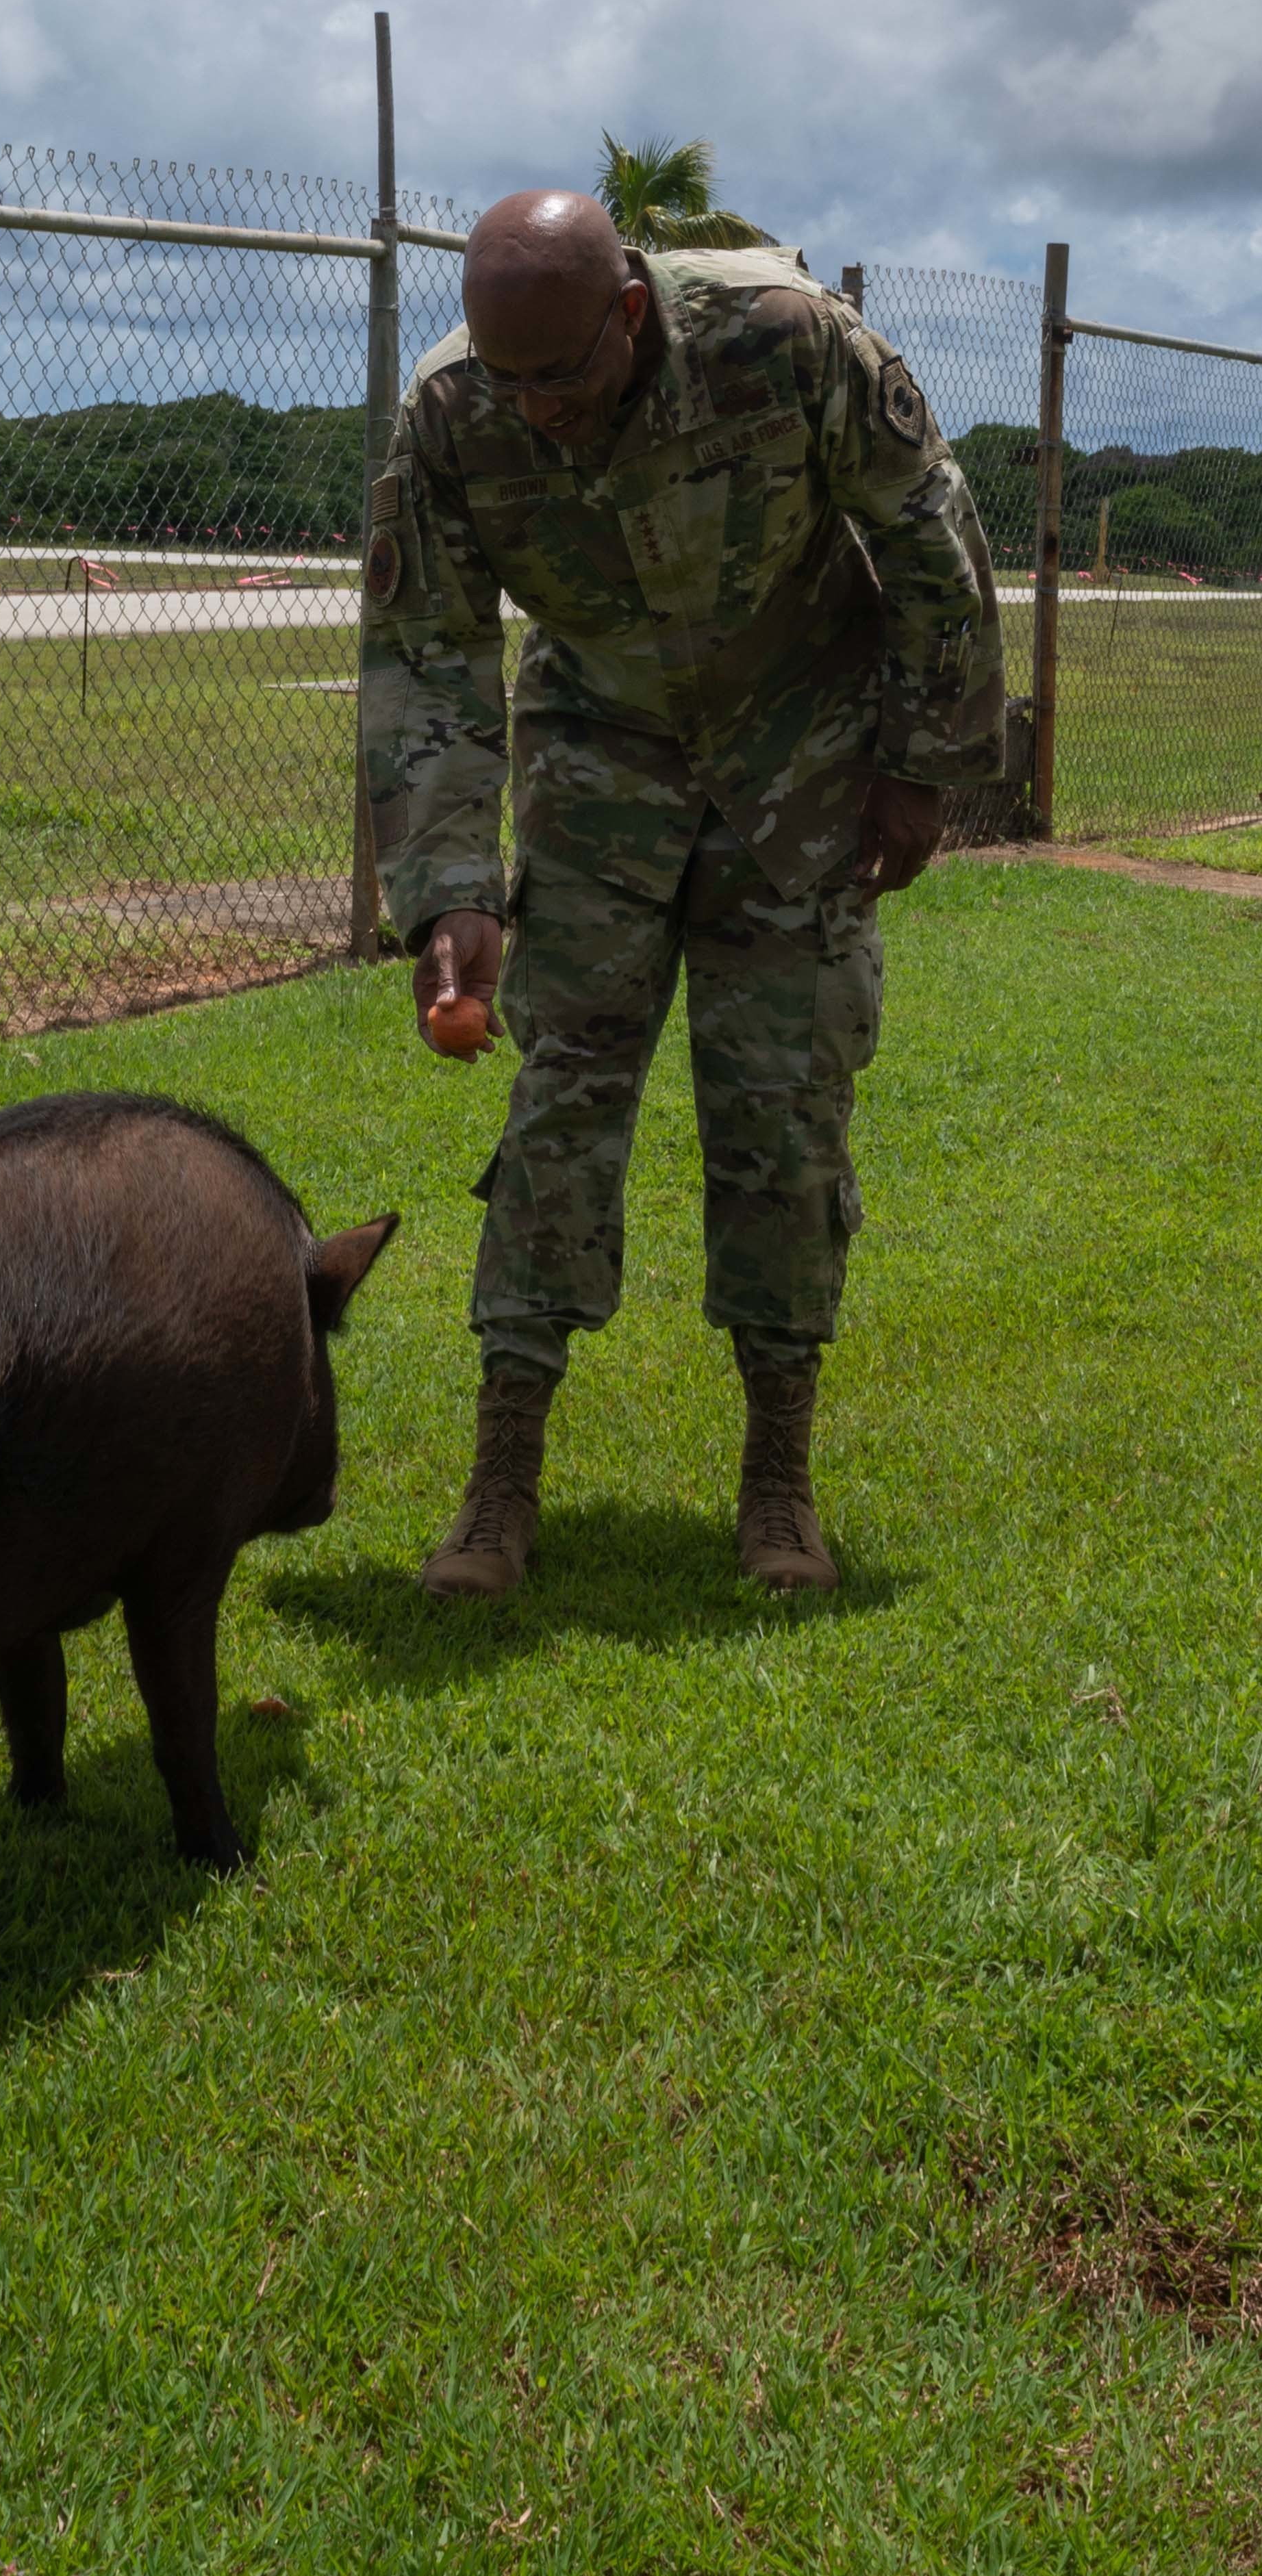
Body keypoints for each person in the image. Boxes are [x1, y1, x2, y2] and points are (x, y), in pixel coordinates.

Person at [359, 192, 1005, 1599]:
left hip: (802, 751)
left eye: (561, 376)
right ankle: (499, 1483)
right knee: (559, 1108)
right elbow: (429, 662)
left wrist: (923, 764)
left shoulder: (786, 344)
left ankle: (779, 1479)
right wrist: (449, 890)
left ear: (631, 311)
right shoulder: (453, 412)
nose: (531, 410)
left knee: (783, 1112)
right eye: (506, 377)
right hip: (600, 765)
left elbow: (929, 544)